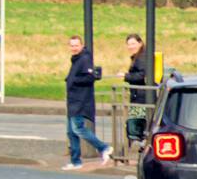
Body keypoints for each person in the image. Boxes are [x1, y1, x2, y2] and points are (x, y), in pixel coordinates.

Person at [64, 35, 113, 170]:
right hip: (73, 101)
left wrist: (73, 81)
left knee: (78, 129)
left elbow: (90, 77)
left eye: (76, 45)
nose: (74, 48)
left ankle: (104, 147)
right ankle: (75, 161)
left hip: (80, 101)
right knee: (71, 132)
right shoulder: (76, 59)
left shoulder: (84, 59)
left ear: (81, 45)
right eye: (72, 45)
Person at [115, 33, 151, 117]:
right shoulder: (139, 56)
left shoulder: (141, 58)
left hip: (141, 97)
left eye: (133, 44)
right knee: (137, 123)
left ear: (140, 43)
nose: (131, 47)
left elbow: (142, 75)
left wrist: (126, 76)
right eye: (129, 44)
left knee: (134, 124)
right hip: (140, 96)